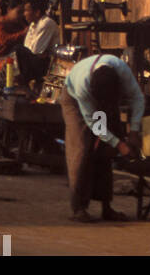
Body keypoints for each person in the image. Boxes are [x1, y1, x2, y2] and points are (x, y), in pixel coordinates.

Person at [60, 53, 144, 222]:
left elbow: (138, 98)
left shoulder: (121, 71)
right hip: (74, 100)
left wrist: (134, 131)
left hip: (104, 100)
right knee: (82, 149)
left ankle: (106, 208)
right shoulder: (83, 86)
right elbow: (95, 125)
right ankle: (79, 208)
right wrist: (120, 144)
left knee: (106, 151)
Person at [15, 0, 59, 90]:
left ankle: (24, 86)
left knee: (19, 50)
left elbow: (36, 50)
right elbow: (27, 46)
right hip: (35, 59)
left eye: (27, 11)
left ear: (37, 12)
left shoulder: (46, 23)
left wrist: (26, 52)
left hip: (45, 64)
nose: (24, 14)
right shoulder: (33, 24)